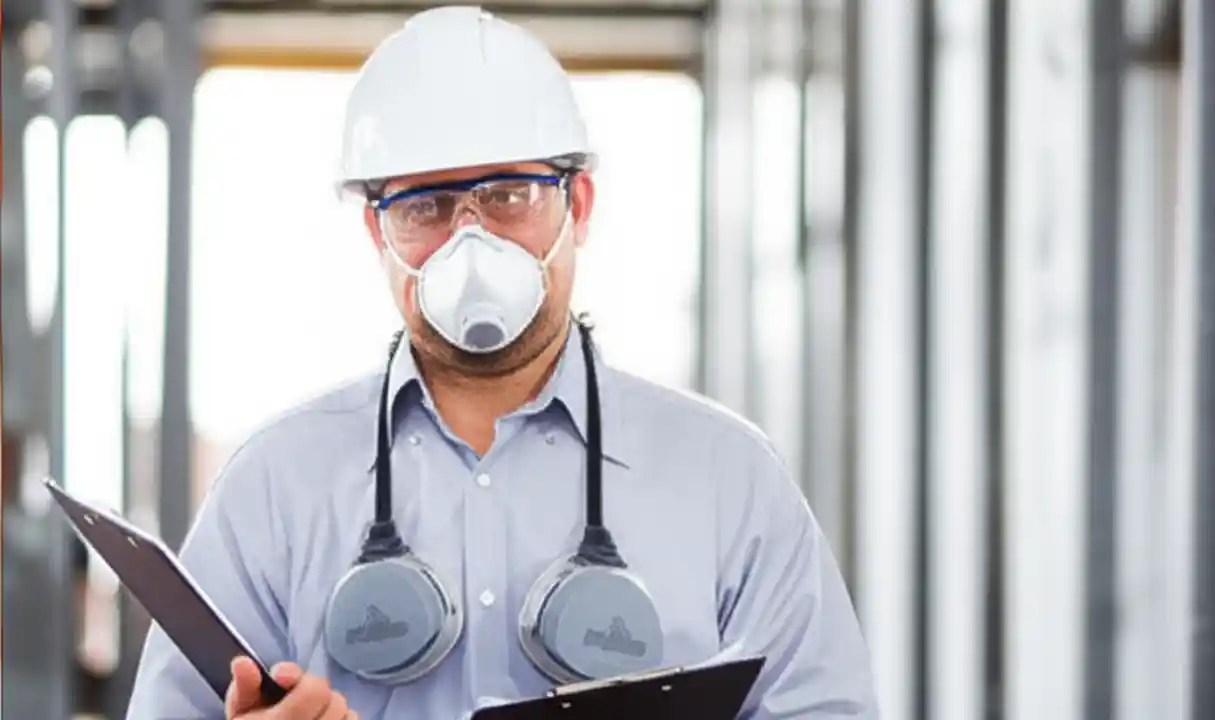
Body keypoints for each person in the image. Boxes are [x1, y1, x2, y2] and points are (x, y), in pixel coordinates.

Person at [125, 6, 877, 719]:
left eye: (510, 195)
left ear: (579, 205)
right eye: (425, 206)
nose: (470, 242)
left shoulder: (729, 480)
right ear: (376, 232)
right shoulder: (275, 486)